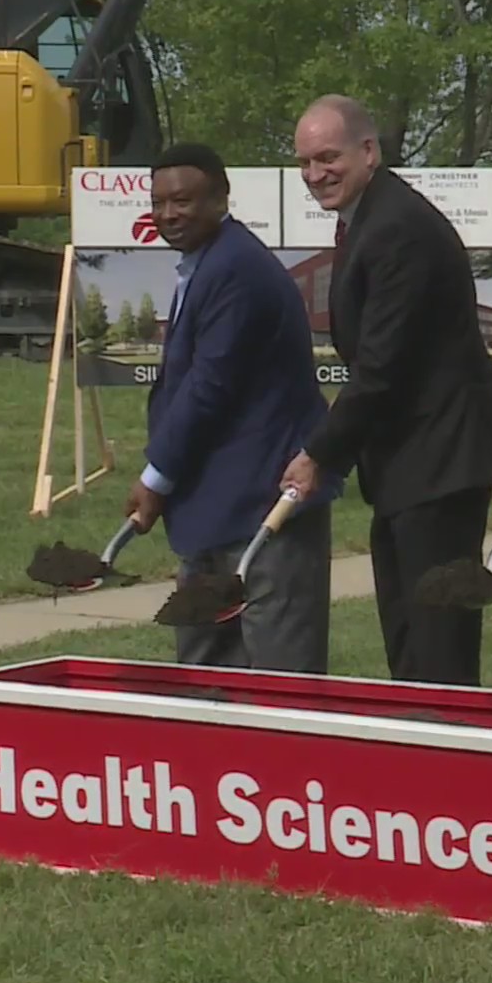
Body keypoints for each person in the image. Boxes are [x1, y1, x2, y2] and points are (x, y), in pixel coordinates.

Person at [279, 94, 492, 687]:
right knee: (410, 639)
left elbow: (381, 369)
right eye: (305, 162)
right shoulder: (367, 219)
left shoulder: (397, 228)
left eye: (328, 157)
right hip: (412, 463)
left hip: (441, 461)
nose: (315, 174)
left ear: (368, 150)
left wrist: (317, 455)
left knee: (437, 644)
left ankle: (450, 767)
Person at [125, 142, 336, 674]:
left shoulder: (236, 269)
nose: (170, 213)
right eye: (161, 202)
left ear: (221, 199)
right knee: (205, 677)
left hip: (264, 509)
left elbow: (210, 386)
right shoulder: (209, 263)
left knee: (279, 684)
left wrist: (156, 478)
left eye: (185, 200)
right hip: (216, 508)